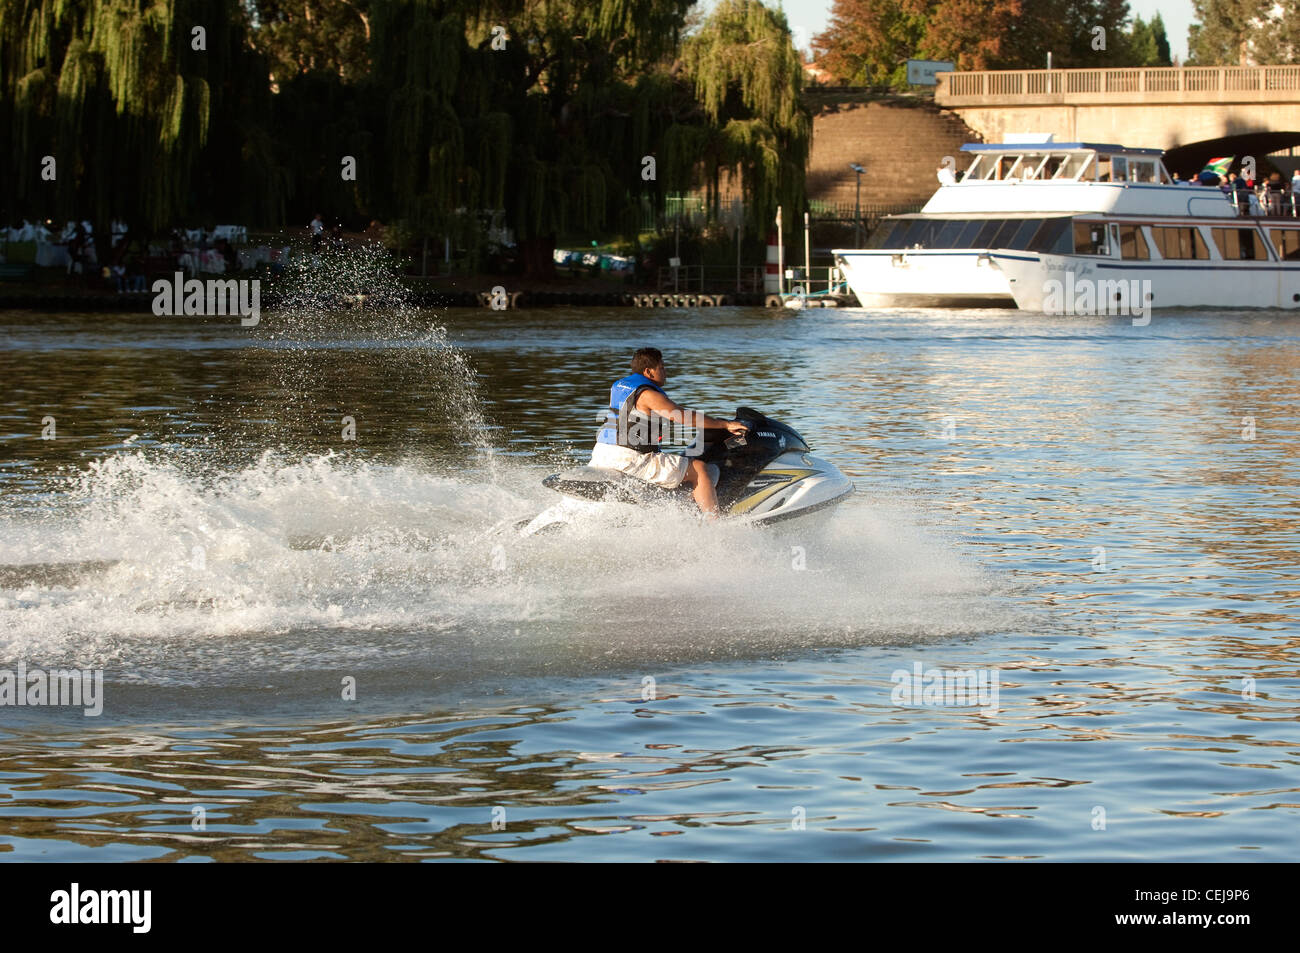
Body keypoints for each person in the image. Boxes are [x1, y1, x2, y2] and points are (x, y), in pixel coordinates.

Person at [591, 347, 749, 517]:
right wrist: (724, 425)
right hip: (630, 458)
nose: (665, 371)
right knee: (699, 469)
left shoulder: (618, 386)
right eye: (662, 367)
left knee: (674, 462)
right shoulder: (647, 394)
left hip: (602, 453)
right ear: (648, 372)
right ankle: (715, 526)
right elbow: (681, 416)